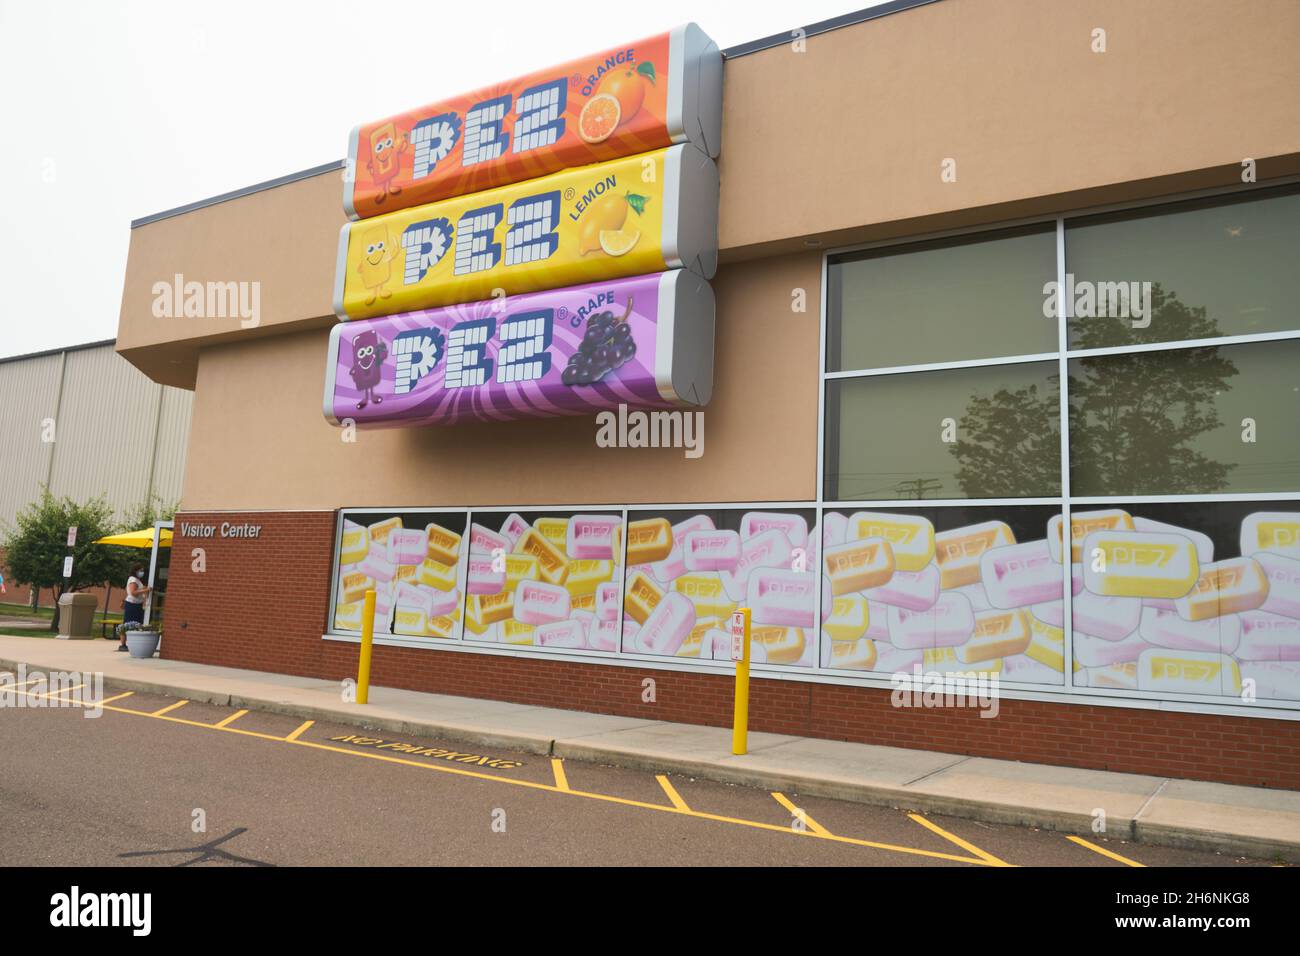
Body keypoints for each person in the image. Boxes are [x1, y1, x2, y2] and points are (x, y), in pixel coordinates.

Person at [119, 565, 151, 652]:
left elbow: (138, 590)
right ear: (135, 570)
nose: (142, 572)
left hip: (137, 605)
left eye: (143, 570)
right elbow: (133, 592)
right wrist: (146, 590)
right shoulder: (133, 579)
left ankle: (133, 643)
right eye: (140, 570)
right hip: (132, 605)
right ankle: (123, 644)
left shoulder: (137, 580)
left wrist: (144, 588)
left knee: (137, 624)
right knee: (127, 624)